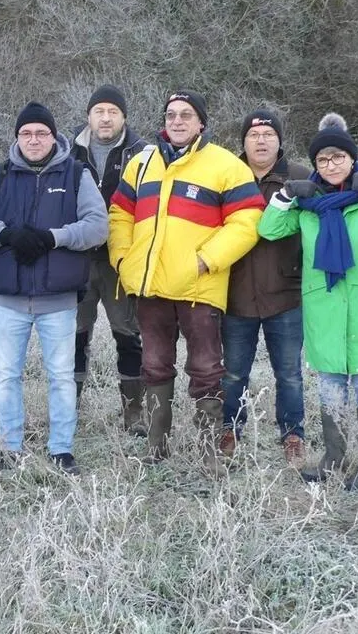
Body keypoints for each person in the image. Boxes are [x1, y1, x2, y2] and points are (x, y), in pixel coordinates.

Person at [108, 89, 263, 474]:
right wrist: (124, 259)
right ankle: (157, 447)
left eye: (186, 115)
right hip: (150, 287)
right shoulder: (141, 164)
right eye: (171, 115)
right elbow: (119, 215)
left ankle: (210, 451)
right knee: (155, 366)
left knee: (207, 369)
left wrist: (206, 260)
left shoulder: (225, 165)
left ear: (201, 123)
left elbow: (248, 221)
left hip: (199, 288)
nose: (177, 121)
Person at [258, 113, 358, 493]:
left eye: (338, 158)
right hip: (326, 306)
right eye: (323, 160)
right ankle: (333, 457)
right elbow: (268, 229)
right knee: (330, 384)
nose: (330, 166)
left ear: (352, 159)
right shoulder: (308, 204)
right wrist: (285, 197)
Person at [0, 101, 108, 474]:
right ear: (17, 137)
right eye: (26, 133)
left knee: (60, 377)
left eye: (41, 133)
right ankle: (9, 449)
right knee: (7, 376)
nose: (33, 139)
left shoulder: (77, 175)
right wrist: (5, 234)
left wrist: (53, 238)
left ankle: (61, 450)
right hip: (8, 300)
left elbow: (97, 226)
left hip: (58, 301)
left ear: (53, 135)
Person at [220, 110, 310, 467]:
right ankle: (229, 429)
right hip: (235, 294)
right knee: (233, 371)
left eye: (268, 134)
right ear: (242, 141)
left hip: (286, 294)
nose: (261, 140)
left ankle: (292, 434)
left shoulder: (301, 177)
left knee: (288, 372)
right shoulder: (227, 177)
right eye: (254, 134)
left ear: (280, 140)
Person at [69, 84, 147, 433]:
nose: (105, 118)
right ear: (88, 116)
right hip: (77, 260)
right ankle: (69, 407)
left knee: (128, 333)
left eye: (112, 112)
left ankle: (133, 412)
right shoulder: (68, 151)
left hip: (120, 261)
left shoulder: (143, 153)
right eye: (99, 111)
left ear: (123, 117)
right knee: (75, 333)